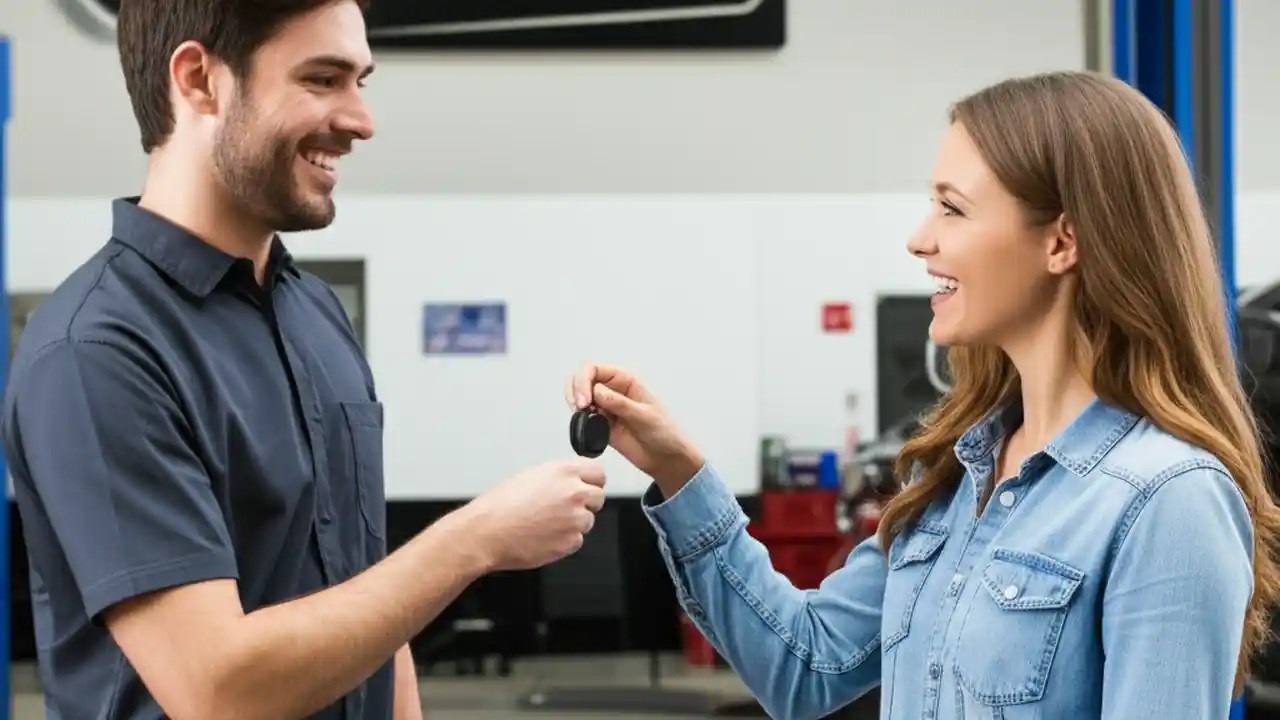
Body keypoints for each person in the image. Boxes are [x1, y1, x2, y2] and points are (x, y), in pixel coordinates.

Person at [567, 70, 1280, 720]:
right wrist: (676, 469)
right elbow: (804, 665)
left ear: (1062, 241)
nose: (919, 239)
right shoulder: (952, 478)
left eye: (952, 209)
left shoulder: (1168, 502)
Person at [0, 1, 606, 718]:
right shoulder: (95, 353)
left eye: (361, 83)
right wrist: (475, 540)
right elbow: (218, 690)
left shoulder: (315, 314)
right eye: (323, 80)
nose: (360, 120)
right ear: (199, 79)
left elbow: (372, 596)